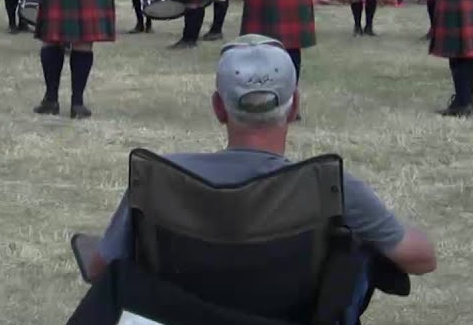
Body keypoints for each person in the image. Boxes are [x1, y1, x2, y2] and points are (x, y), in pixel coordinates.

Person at [83, 35, 437, 310]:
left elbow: (101, 270)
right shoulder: (332, 187)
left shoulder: (163, 178)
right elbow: (420, 259)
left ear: (219, 108)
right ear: (294, 104)